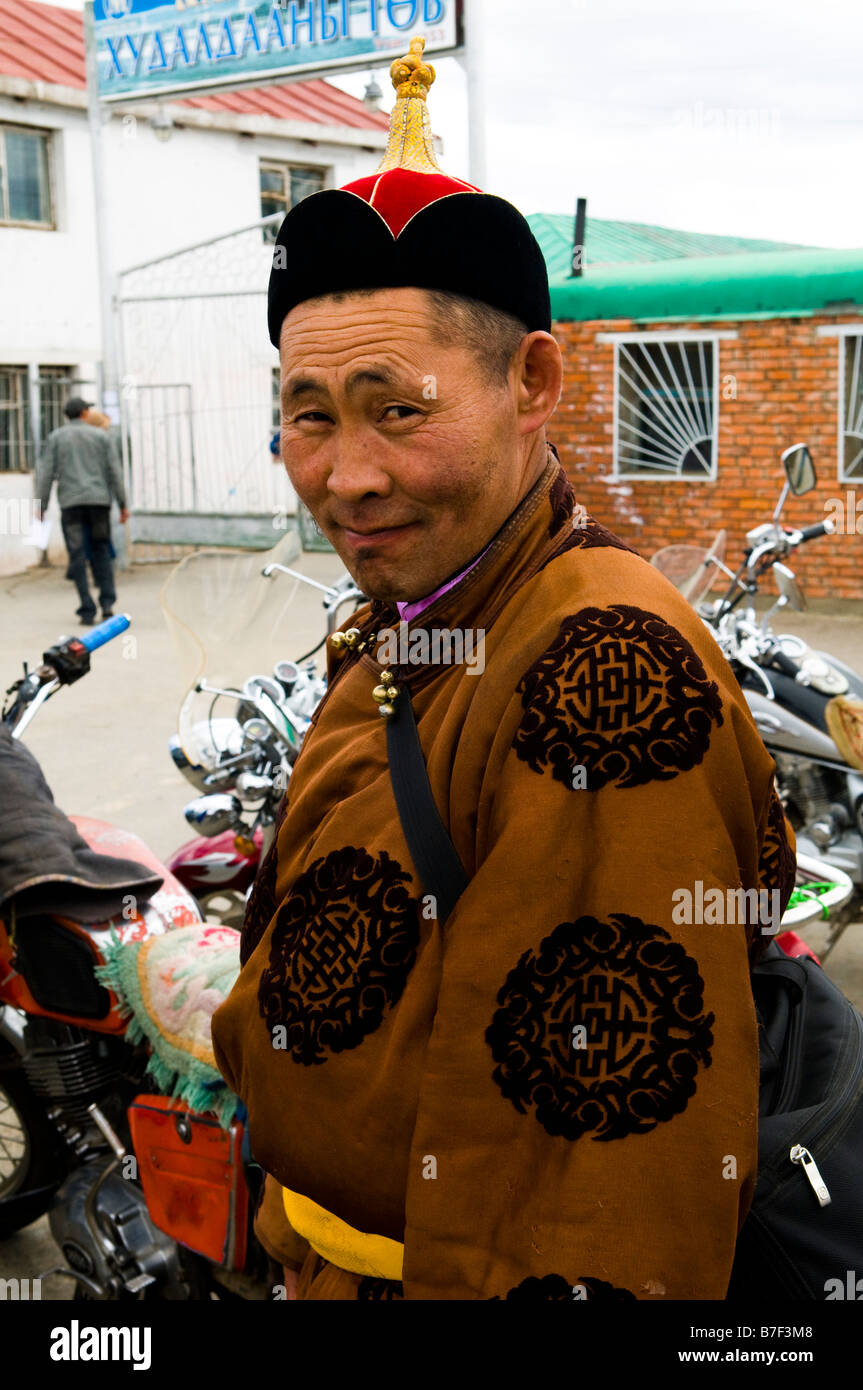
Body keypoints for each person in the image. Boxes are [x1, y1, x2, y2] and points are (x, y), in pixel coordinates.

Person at [211, 36, 796, 1301]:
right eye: (308, 413)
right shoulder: (410, 607)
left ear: (532, 382)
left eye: (398, 408)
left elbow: (599, 1182)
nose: (344, 474)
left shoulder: (599, 666)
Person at [36, 397, 128, 624]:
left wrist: (41, 505)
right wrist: (123, 503)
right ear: (85, 413)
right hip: (98, 503)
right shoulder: (101, 436)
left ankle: (87, 608)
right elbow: (115, 472)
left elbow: (46, 473)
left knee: (77, 556)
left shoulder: (56, 438)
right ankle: (107, 604)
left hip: (71, 504)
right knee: (101, 551)